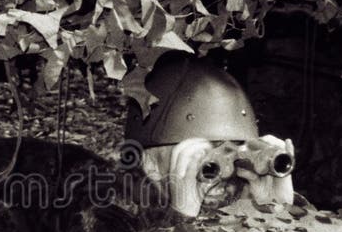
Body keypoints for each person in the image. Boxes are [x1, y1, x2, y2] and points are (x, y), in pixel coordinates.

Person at [124, 50, 296, 218]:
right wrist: (181, 218)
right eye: (203, 161)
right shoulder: (115, 223)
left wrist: (276, 211)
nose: (225, 173)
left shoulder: (240, 212)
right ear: (150, 164)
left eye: (234, 154)